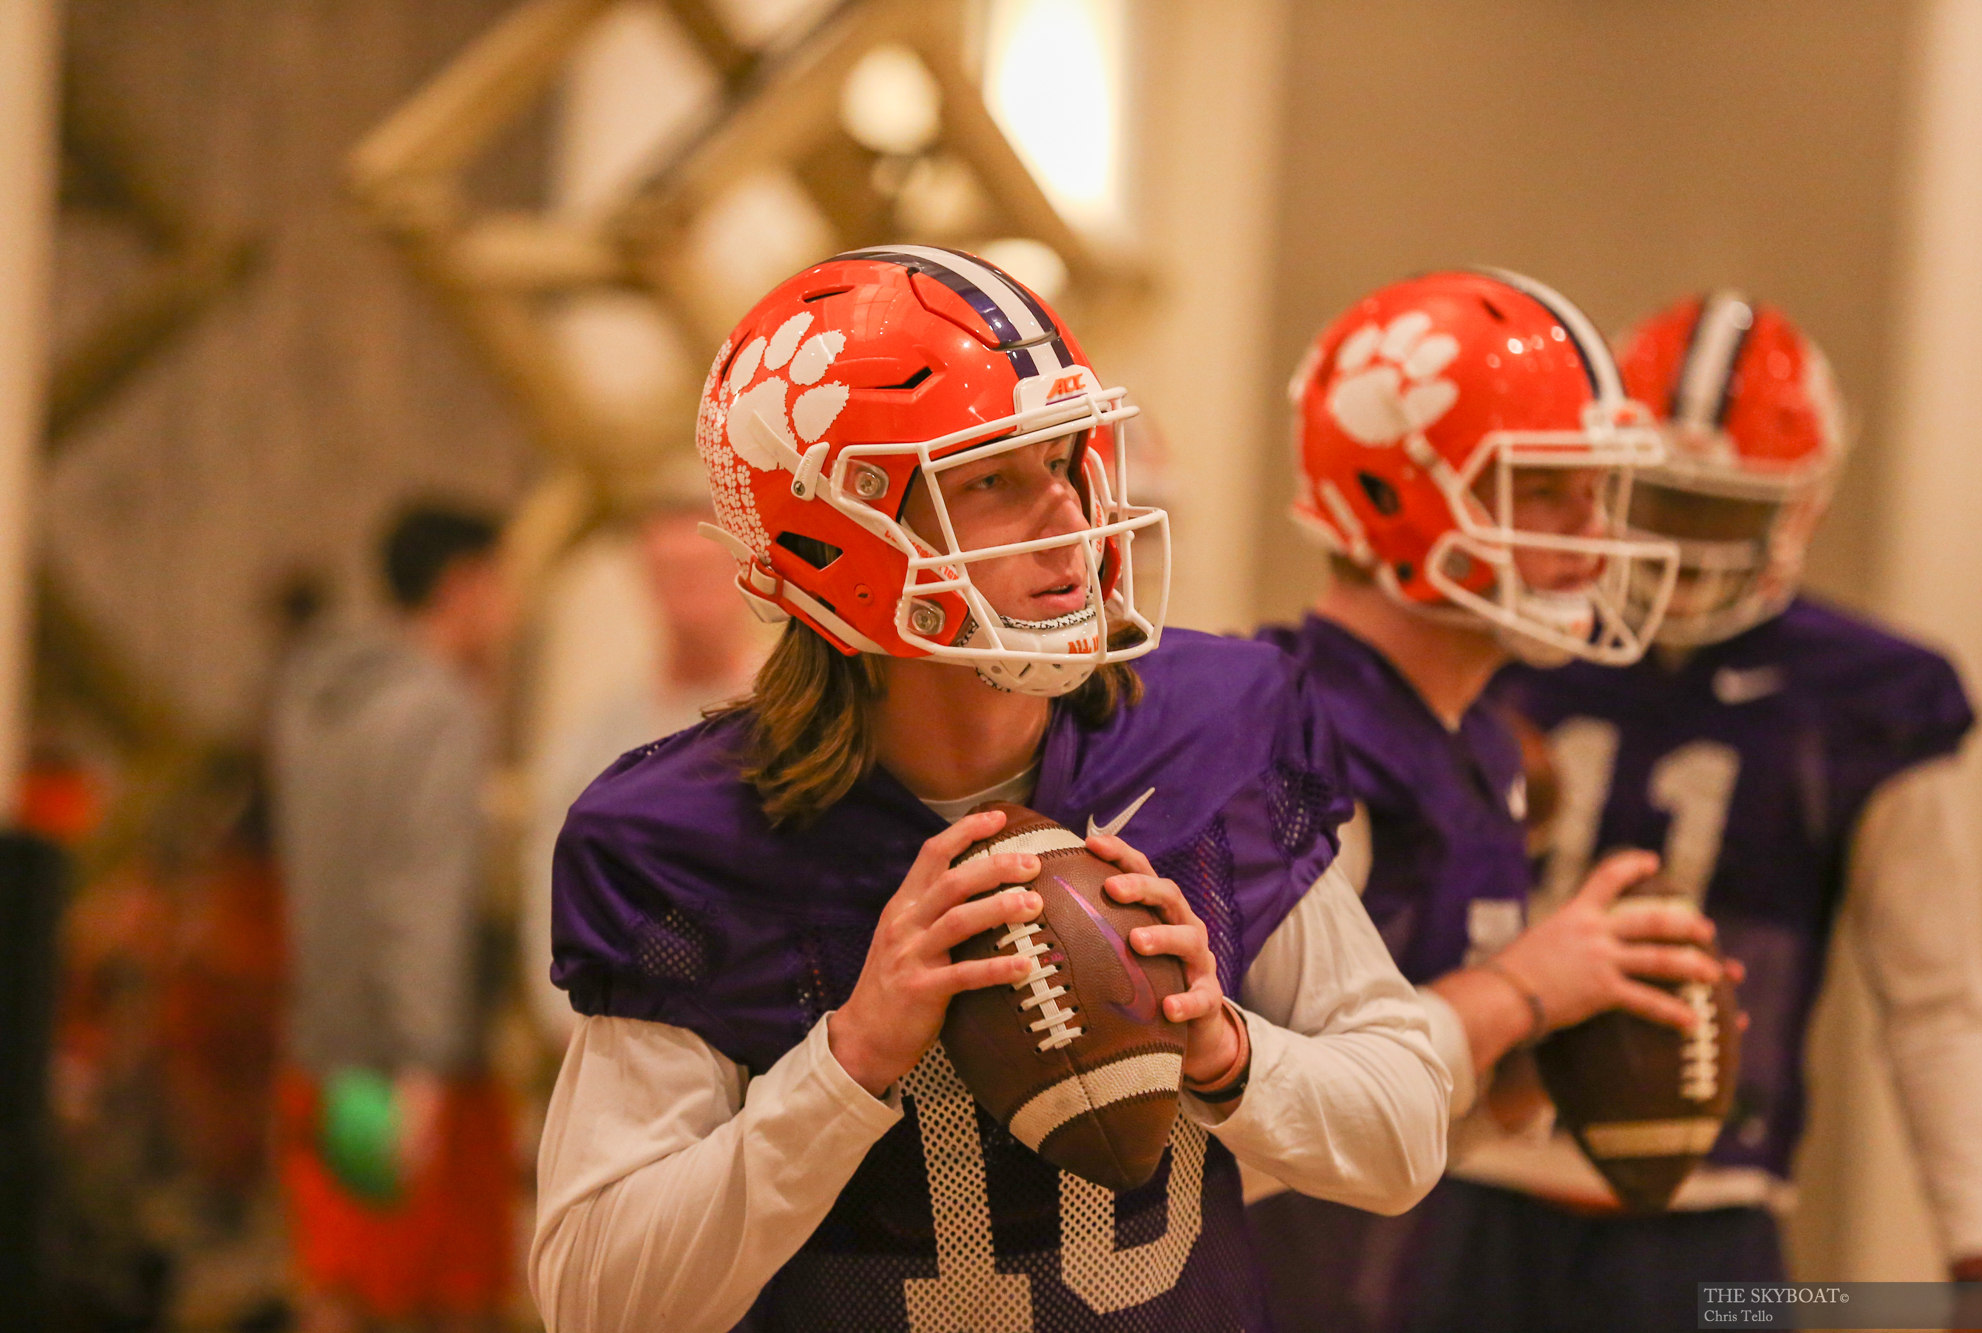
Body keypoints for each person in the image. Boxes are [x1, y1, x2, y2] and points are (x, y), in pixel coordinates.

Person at [528, 245, 1452, 1333]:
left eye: (1065, 461)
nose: (1067, 517)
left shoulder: (1208, 731)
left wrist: (1222, 1047)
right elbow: (597, 1301)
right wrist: (848, 1061)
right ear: (836, 535)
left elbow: (1405, 1135)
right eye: (990, 480)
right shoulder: (690, 839)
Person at [1483, 294, 1982, 1309]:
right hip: (1468, 1177)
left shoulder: (1867, 696)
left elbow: (1936, 999)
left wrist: (1980, 1247)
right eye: (1664, 502)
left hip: (1709, 1211)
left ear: (1798, 508)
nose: (1684, 548)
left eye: (1720, 512)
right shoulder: (1503, 640)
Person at [1246, 269, 1737, 1333]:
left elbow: (1398, 1137)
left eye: (1594, 489)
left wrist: (1544, 1061)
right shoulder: (1281, 739)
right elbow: (1235, 1117)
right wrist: (1520, 989)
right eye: (1544, 488)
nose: (1591, 528)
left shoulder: (1477, 743)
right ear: (1395, 497)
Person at [269, 502, 516, 1333]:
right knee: (453, 1296)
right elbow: (421, 890)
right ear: (463, 586)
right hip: (424, 1058)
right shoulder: (439, 707)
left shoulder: (314, 696)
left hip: (320, 1043)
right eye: (503, 586)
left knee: (337, 1286)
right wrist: (422, 1061)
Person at [519, 497, 766, 1051]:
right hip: (628, 1033)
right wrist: (565, 1013)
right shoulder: (601, 734)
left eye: (701, 571)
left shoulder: (790, 718)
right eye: (670, 573)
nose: (688, 593)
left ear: (739, 572)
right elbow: (554, 872)